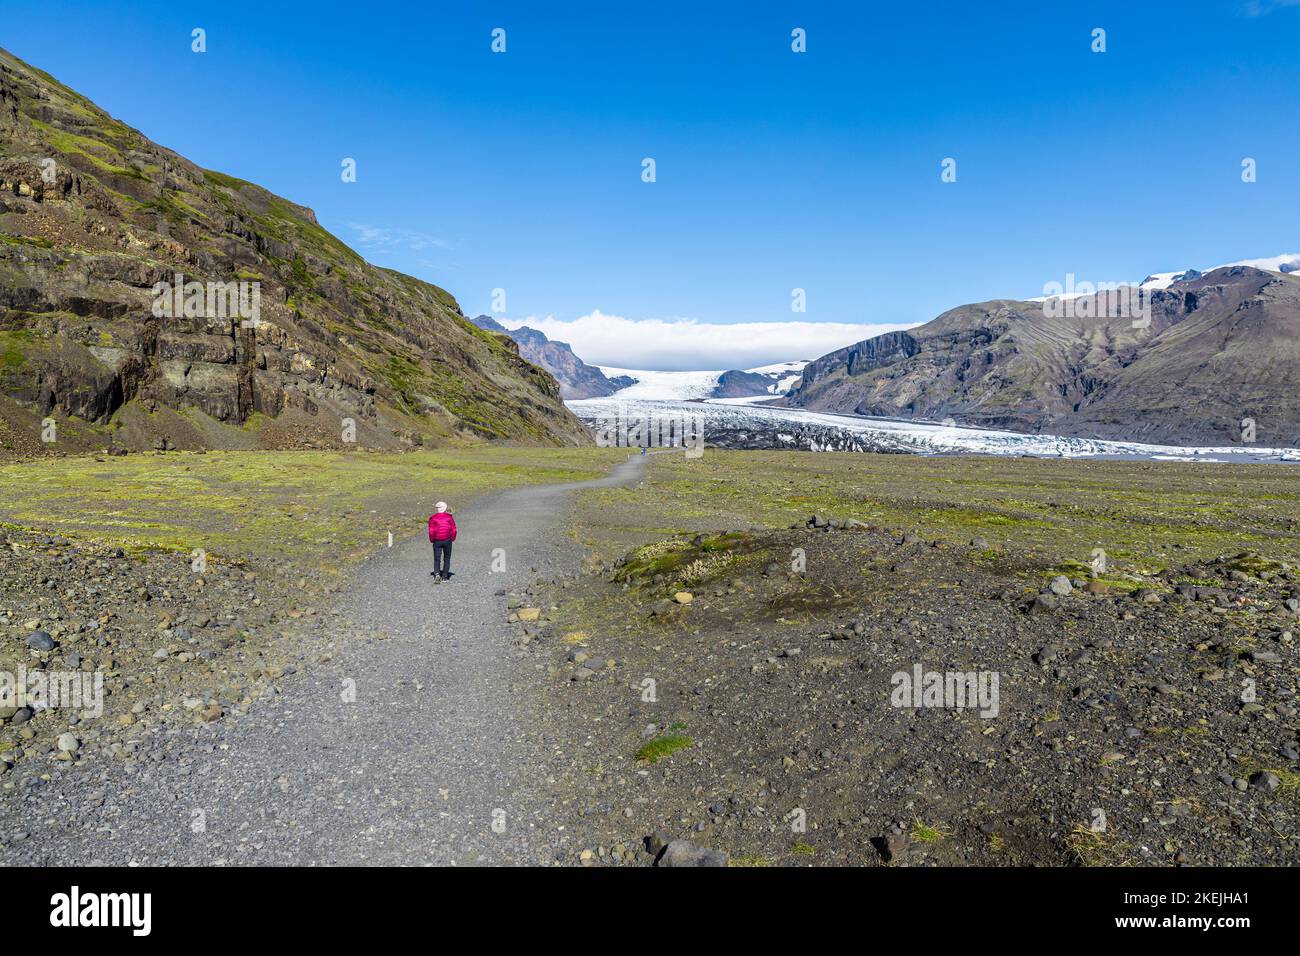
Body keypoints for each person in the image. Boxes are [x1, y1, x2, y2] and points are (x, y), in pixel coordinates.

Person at [428, 501, 457, 580]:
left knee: (437, 558)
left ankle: (437, 574)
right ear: (445, 508)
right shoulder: (449, 517)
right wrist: (453, 538)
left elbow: (431, 531)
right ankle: (445, 576)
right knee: (447, 558)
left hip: (437, 541)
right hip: (447, 540)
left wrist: (432, 540)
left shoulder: (433, 518)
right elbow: (454, 529)